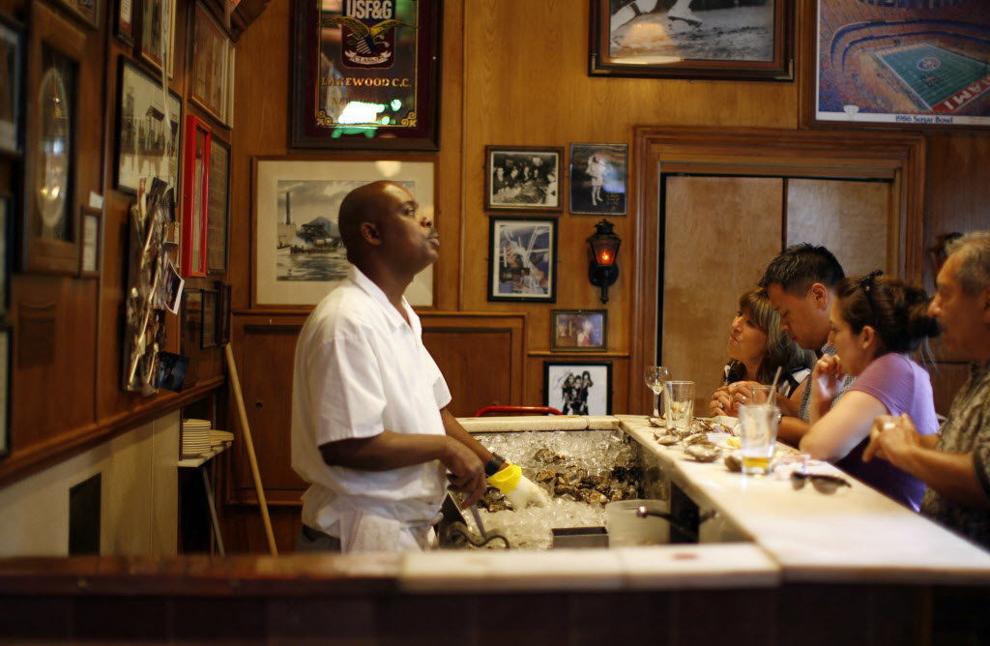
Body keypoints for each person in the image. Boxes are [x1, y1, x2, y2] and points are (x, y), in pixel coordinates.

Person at [291, 181, 548, 553]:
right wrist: (444, 449)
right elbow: (346, 445)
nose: (427, 220)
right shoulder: (347, 322)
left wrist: (502, 472)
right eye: (409, 212)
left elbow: (435, 412)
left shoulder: (399, 314)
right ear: (372, 233)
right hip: (359, 537)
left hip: (402, 531)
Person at [864, 232, 990, 545]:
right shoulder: (979, 373)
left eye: (944, 294)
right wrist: (914, 439)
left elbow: (982, 479)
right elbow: (961, 451)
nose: (933, 308)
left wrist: (906, 452)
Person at [798, 272, 940, 510]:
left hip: (893, 524)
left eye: (835, 329)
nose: (830, 341)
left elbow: (814, 449)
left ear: (866, 337)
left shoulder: (892, 368)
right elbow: (824, 456)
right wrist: (822, 401)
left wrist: (819, 403)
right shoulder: (899, 367)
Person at [759, 243, 850, 445]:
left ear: (819, 296)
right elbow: (811, 422)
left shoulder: (856, 356)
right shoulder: (823, 353)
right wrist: (775, 401)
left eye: (785, 314)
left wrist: (764, 416)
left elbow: (833, 441)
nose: (782, 326)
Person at [708, 288, 815, 417]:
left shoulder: (799, 381)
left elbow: (806, 427)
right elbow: (730, 423)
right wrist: (718, 413)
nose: (735, 325)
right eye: (739, 314)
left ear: (773, 339)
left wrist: (756, 413)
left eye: (750, 323)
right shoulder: (732, 370)